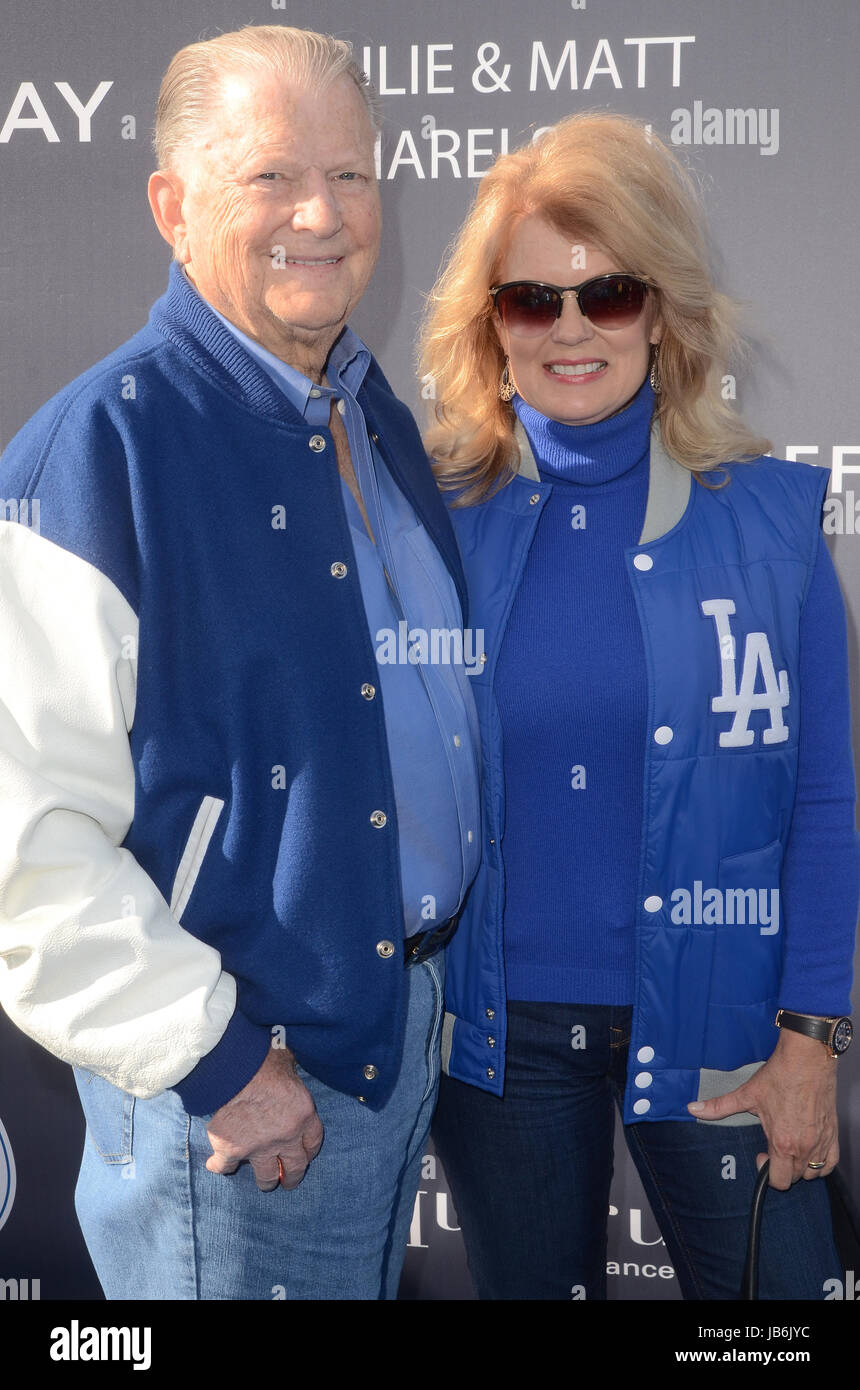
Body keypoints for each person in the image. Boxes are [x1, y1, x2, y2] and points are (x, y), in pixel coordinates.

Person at [0, 24, 480, 1301]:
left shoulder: (367, 414)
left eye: (353, 173)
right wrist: (219, 1068)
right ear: (172, 205)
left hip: (387, 1050)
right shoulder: (98, 458)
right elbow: (26, 857)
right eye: (270, 176)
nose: (320, 213)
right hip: (243, 1105)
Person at [420, 111, 858, 1301]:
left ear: (659, 311)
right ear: (488, 325)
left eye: (605, 293)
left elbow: (823, 797)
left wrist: (811, 1039)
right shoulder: (432, 524)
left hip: (722, 1029)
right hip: (498, 1045)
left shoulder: (765, 522)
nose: (570, 329)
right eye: (530, 300)